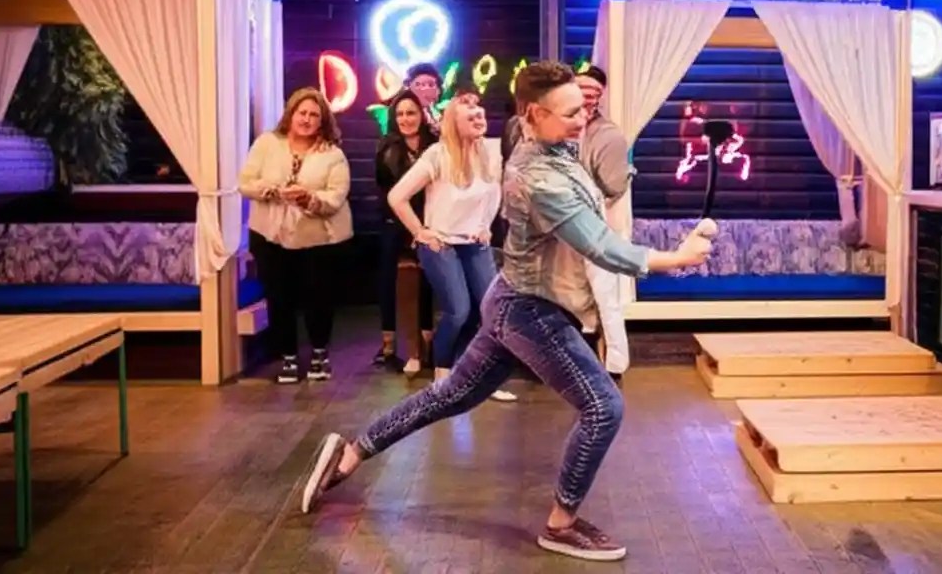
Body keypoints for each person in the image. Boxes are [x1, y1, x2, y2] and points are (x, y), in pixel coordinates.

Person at [298, 61, 713, 562]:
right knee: (604, 407)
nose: (582, 119)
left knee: (449, 396)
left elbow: (597, 194)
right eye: (570, 113)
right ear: (535, 114)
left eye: (583, 108)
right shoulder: (538, 176)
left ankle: (350, 452)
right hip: (529, 310)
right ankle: (561, 524)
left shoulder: (554, 147)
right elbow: (599, 245)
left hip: (511, 299)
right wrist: (675, 259)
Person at [387, 88, 516, 402]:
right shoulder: (438, 155)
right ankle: (443, 377)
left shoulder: (492, 151)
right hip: (441, 243)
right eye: (471, 116)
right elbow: (397, 197)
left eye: (481, 114)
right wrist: (421, 231)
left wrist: (486, 225)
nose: (479, 119)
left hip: (474, 241)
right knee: (458, 310)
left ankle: (478, 376)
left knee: (488, 310)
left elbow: (495, 194)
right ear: (454, 123)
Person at [239, 87, 352, 384]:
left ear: (322, 121)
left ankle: (319, 354)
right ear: (290, 114)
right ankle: (287, 357)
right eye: (302, 112)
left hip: (319, 239)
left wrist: (307, 199)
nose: (307, 119)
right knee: (279, 297)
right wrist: (271, 190)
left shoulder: (333, 154)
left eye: (314, 115)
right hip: (270, 235)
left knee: (318, 298)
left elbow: (336, 197)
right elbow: (245, 183)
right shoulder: (266, 143)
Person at [373, 70, 440, 373]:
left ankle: (428, 346)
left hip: (432, 223)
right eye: (400, 114)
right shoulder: (387, 148)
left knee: (430, 285)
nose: (405, 119)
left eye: (411, 113)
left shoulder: (436, 145)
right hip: (396, 227)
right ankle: (396, 347)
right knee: (394, 285)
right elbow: (385, 191)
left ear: (421, 115)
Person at [572, 66, 637, 378]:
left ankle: (615, 365)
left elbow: (614, 186)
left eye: (592, 91)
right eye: (580, 89)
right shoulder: (562, 128)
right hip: (566, 226)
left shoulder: (608, 134)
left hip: (599, 226)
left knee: (606, 296)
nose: (587, 97)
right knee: (572, 295)